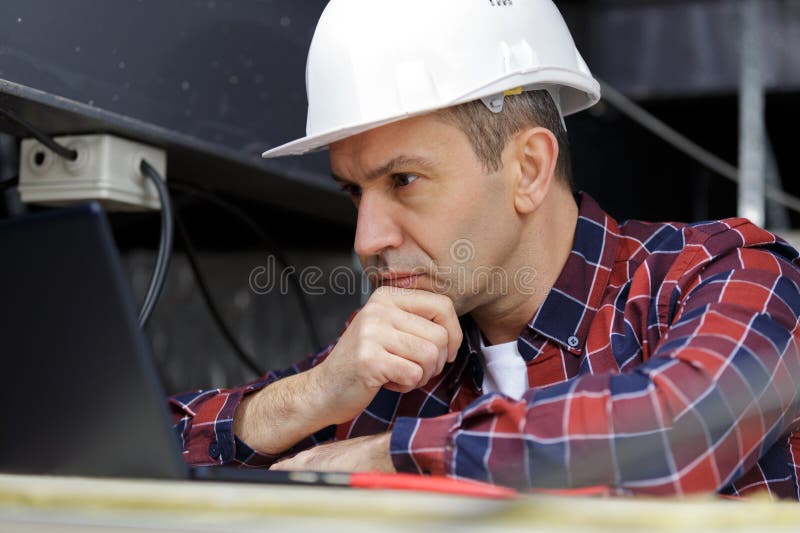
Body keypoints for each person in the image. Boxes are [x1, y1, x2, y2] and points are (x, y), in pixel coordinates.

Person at [170, 0, 800, 498]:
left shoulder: (726, 276)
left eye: (403, 181)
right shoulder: (399, 357)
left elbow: (674, 431)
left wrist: (393, 454)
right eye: (354, 192)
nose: (367, 238)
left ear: (528, 168)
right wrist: (308, 398)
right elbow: (140, 447)